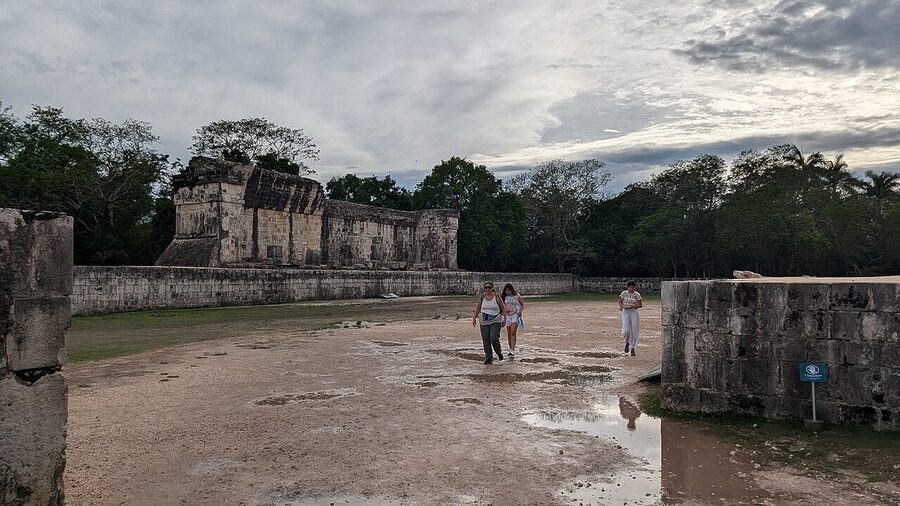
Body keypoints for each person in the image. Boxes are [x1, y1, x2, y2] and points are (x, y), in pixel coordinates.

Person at [472, 281, 508, 364]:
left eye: (489, 287)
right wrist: (474, 318)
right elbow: (478, 308)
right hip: (484, 320)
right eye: (486, 288)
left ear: (492, 288)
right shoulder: (482, 297)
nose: (487, 289)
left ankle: (499, 353)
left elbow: (503, 308)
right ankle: (488, 358)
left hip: (496, 319)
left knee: (494, 338)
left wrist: (505, 319)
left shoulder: (497, 297)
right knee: (486, 340)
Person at [618, 280, 642, 356]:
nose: (631, 289)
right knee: (626, 330)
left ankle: (633, 348)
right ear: (627, 287)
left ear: (635, 287)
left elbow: (640, 305)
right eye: (630, 287)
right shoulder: (624, 293)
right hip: (626, 312)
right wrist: (623, 306)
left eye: (633, 287)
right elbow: (620, 302)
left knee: (634, 330)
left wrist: (634, 306)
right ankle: (627, 342)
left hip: (634, 312)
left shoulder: (637, 294)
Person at [502, 283, 525, 357]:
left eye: (509, 290)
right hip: (508, 315)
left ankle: (512, 349)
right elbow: (502, 306)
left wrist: (520, 311)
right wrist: (505, 311)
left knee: (513, 332)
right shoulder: (504, 297)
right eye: (506, 291)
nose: (507, 292)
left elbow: (522, 304)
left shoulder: (517, 296)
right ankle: (510, 347)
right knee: (509, 333)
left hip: (515, 315)